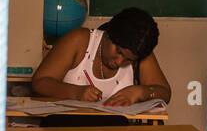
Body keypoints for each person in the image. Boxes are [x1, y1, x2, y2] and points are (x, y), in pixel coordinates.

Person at [31, 7, 171, 105]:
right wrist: (76, 93)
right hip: (66, 129)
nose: (119, 62)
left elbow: (165, 93)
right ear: (108, 34)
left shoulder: (138, 50)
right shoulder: (79, 40)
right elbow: (40, 82)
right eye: (119, 52)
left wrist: (141, 92)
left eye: (128, 60)